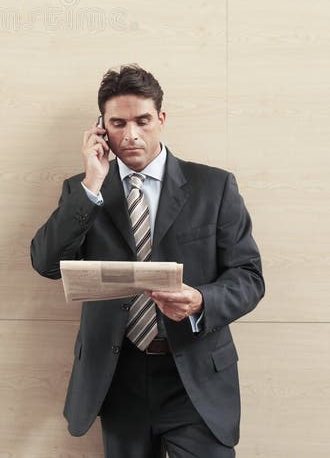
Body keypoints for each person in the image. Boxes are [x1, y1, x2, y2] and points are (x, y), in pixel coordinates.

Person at [30, 64, 264, 458]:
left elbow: (249, 276)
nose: (131, 134)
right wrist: (91, 184)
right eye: (117, 123)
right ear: (101, 127)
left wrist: (202, 301)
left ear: (161, 118)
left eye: (142, 120)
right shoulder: (82, 190)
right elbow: (47, 263)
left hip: (195, 373)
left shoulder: (214, 186)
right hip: (118, 375)